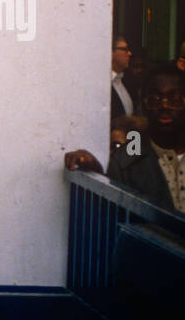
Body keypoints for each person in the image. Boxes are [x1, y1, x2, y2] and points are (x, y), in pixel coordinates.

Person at [66, 63, 185, 213]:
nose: (164, 106)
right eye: (155, 99)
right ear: (143, 106)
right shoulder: (127, 159)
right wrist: (97, 174)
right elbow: (114, 214)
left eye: (175, 99)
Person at [111, 35, 135, 121]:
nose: (129, 53)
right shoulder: (103, 83)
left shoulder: (127, 81)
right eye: (125, 49)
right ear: (111, 52)